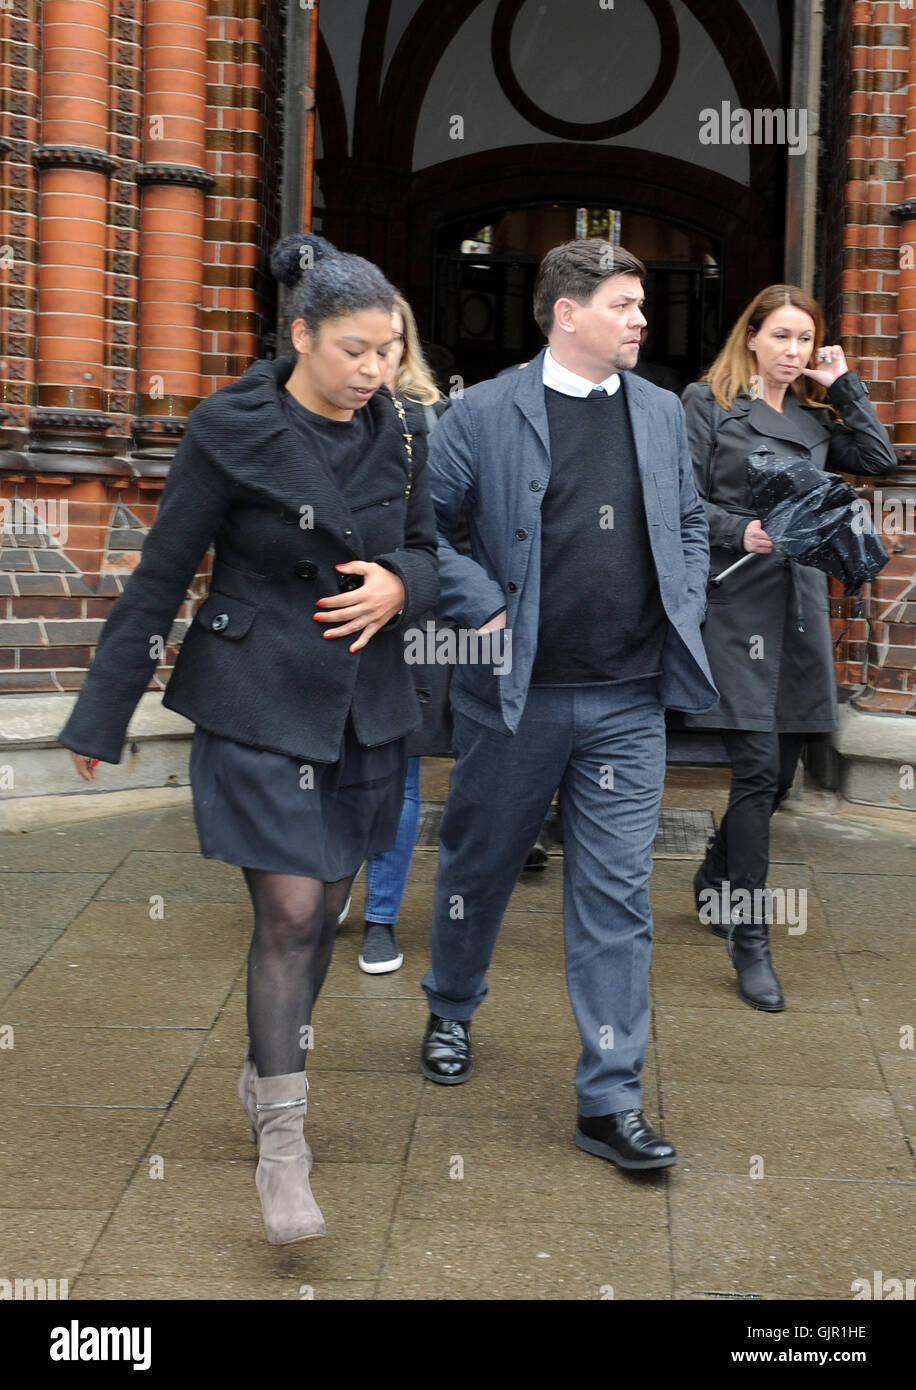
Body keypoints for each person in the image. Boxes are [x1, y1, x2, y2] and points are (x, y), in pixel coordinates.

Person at [58, 234, 439, 1243]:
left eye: (389, 349)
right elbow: (162, 570)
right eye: (355, 349)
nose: (375, 369)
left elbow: (432, 547)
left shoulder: (405, 429)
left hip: (363, 709)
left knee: (324, 912)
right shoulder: (229, 428)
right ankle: (283, 1145)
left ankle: (271, 1065)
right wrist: (103, 710)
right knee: (291, 911)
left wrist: (402, 585)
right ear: (302, 336)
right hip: (258, 698)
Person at [418, 238, 718, 1172]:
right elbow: (425, 526)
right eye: (624, 304)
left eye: (640, 304)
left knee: (617, 898)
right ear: (566, 313)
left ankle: (610, 1099)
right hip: (516, 698)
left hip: (628, 701)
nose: (641, 319)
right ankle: (451, 1005)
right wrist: (483, 604)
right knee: (480, 866)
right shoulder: (481, 412)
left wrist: (685, 600)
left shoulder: (660, 410)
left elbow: (690, 519)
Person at [682, 284, 896, 1011]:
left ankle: (715, 875)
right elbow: (679, 499)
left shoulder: (813, 417)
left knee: (779, 776)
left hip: (799, 605)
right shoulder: (708, 404)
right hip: (735, 604)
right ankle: (750, 940)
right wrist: (736, 530)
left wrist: (843, 383)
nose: (793, 350)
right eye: (781, 335)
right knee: (753, 772)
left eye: (805, 339)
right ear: (751, 336)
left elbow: (878, 456)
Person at [358, 292, 449, 975]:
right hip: (326, 616)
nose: (373, 358)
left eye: (386, 343)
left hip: (406, 621)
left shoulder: (427, 420)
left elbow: (445, 529)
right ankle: (330, 881)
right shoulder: (305, 415)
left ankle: (381, 917)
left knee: (400, 779)